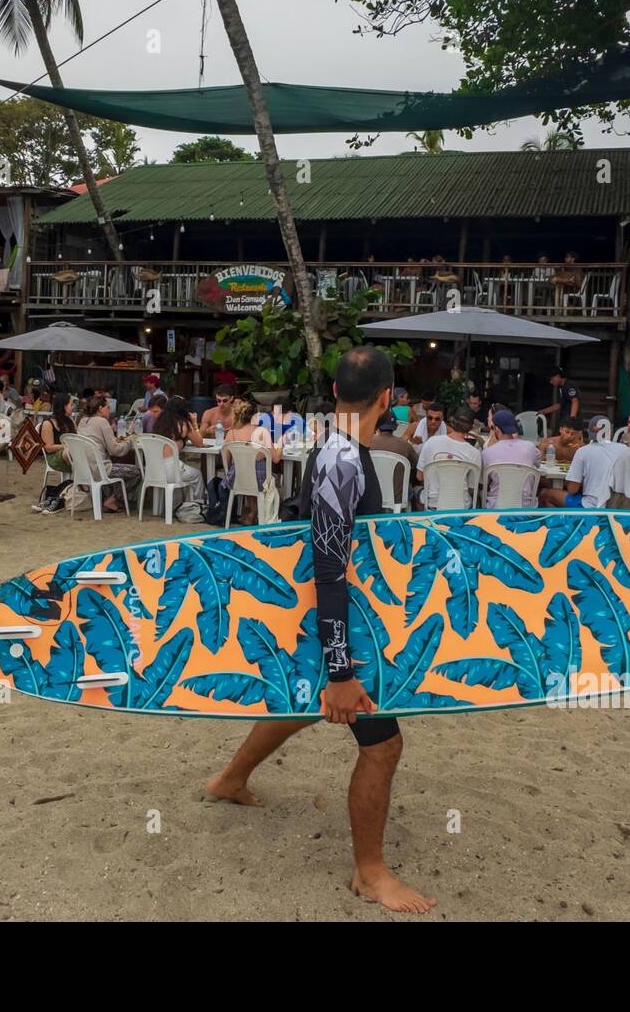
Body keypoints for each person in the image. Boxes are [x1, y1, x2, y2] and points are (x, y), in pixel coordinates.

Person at [205, 345, 435, 914]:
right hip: (337, 626)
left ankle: (229, 781)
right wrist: (340, 671)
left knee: (299, 706)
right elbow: (329, 570)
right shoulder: (343, 462)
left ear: (335, 393)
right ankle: (370, 872)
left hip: (320, 620)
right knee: (384, 747)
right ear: (389, 399)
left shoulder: (337, 449)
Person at [540, 415, 628, 508]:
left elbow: (572, 490)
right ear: (610, 432)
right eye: (567, 432)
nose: (569, 436)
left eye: (573, 433)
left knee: (545, 494)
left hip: (590, 506)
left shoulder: (582, 450)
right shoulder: (624, 449)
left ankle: (560, 522)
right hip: (618, 505)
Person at [76, 394, 142, 512]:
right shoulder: (102, 422)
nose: (110, 410)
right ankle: (112, 500)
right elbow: (115, 450)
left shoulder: (83, 420)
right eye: (108, 407)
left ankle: (110, 499)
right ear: (100, 408)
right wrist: (130, 442)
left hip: (82, 468)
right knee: (137, 472)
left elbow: (100, 442)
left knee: (119, 469)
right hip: (99, 469)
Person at [220, 398, 281, 524]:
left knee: (248, 472)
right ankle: (254, 513)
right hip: (259, 481)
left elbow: (225, 459)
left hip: (236, 479)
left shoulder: (231, 433)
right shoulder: (262, 432)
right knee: (263, 474)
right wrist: (280, 445)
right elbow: (276, 459)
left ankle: (252, 512)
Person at [416, 406, 482, 509]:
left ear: (451, 421)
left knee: (416, 491)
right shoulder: (475, 453)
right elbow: (472, 487)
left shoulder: (431, 442)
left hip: (433, 504)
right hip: (461, 507)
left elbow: (419, 476)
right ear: (471, 427)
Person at [480, 409, 540, 508]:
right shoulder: (530, 447)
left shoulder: (487, 453)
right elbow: (538, 464)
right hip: (526, 506)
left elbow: (484, 481)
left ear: (497, 429)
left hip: (496, 507)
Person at [152, 395, 205, 506]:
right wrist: (195, 424)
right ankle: (199, 505)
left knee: (183, 469)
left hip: (153, 470)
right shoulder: (183, 424)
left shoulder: (159, 423)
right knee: (197, 475)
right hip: (171, 470)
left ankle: (164, 507)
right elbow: (199, 443)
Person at [32, 392, 77, 514]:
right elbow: (49, 447)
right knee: (69, 452)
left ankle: (61, 492)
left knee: (74, 453)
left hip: (70, 455)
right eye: (71, 404)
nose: (73, 407)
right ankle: (78, 480)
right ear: (63, 406)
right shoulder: (48, 423)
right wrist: (67, 446)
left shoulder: (70, 422)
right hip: (55, 457)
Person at [371, 410, 421, 507]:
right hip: (398, 499)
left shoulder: (367, 443)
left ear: (376, 425)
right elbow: (416, 467)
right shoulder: (406, 446)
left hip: (371, 495)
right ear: (396, 427)